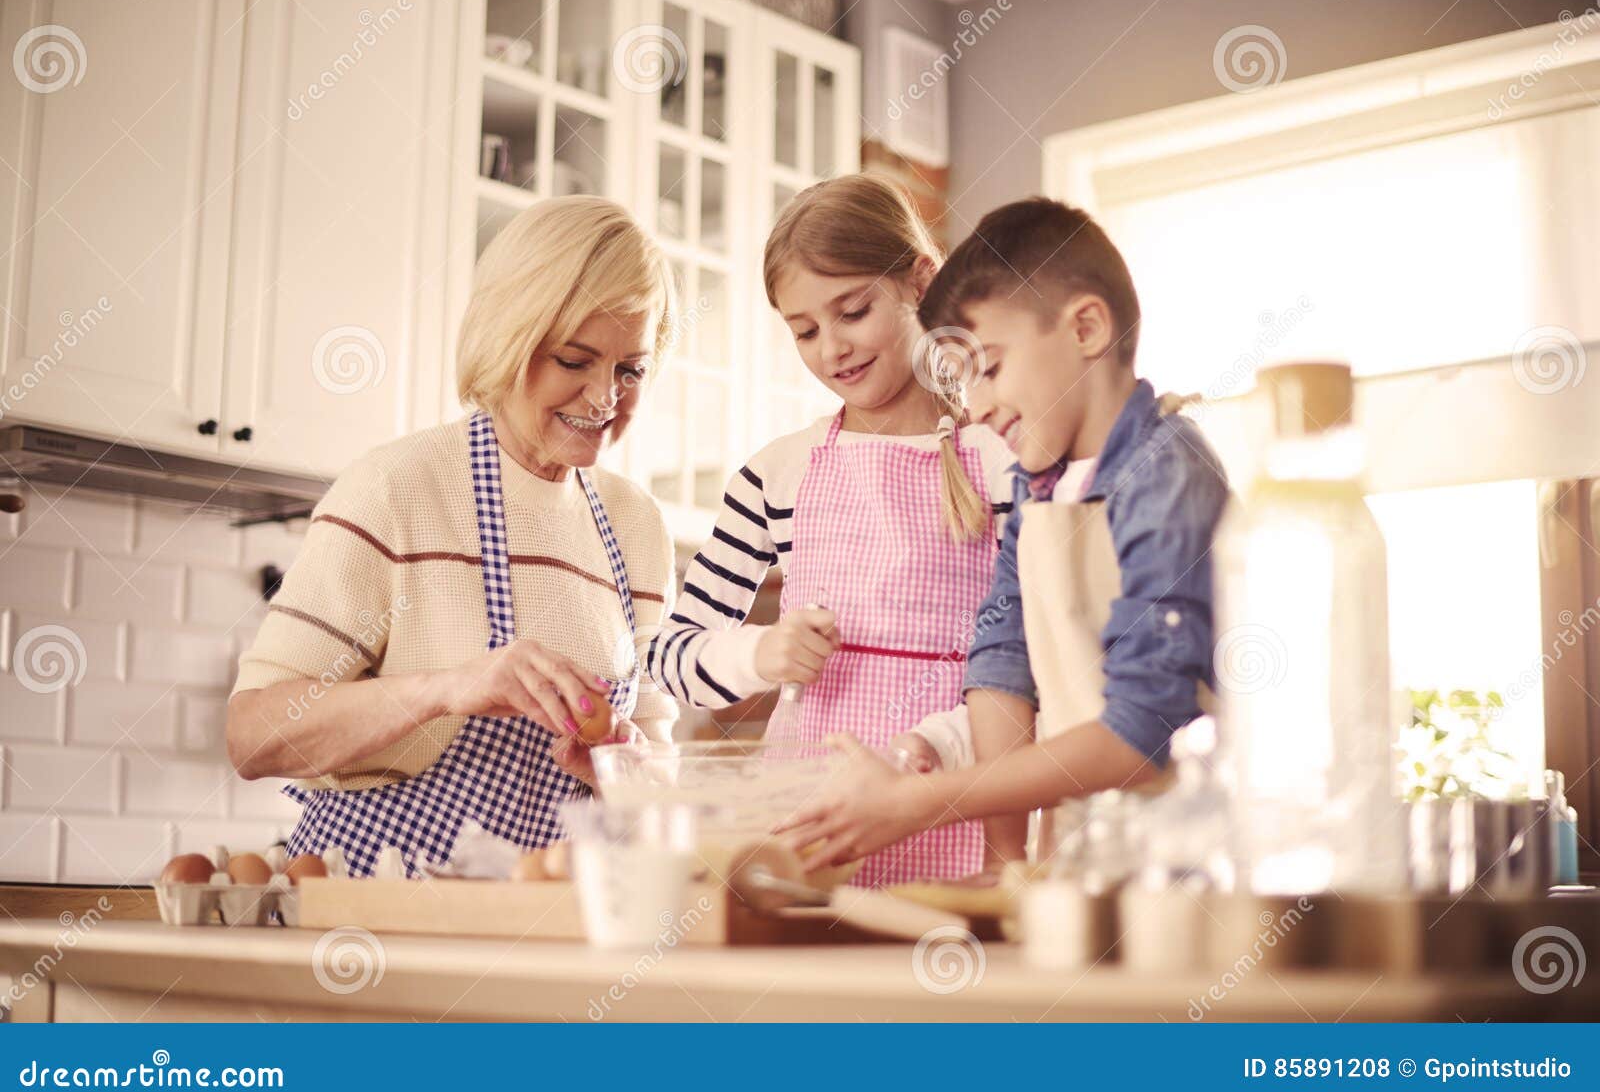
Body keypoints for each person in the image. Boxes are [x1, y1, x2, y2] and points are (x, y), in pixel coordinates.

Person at [226, 196, 681, 877]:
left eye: (630, 369)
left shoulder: (636, 526)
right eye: (573, 360)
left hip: (559, 929)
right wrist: (445, 689)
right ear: (509, 337)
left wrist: (620, 766)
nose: (603, 398)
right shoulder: (398, 488)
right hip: (380, 929)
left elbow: (660, 781)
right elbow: (253, 735)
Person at [780, 197, 1230, 870]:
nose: (977, 407)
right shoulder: (1036, 486)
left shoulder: (1166, 473)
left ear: (1085, 328)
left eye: (988, 368)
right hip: (1091, 861)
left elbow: (1144, 731)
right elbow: (1002, 666)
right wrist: (1005, 865)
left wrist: (918, 801)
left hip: (1197, 862)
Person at [644, 174, 1015, 886]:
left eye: (853, 311)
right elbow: (670, 660)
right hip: (805, 833)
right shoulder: (773, 476)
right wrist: (762, 653)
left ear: (920, 282)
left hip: (955, 810)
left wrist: (933, 752)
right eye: (804, 331)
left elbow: (1035, 674)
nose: (832, 349)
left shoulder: (1001, 461)